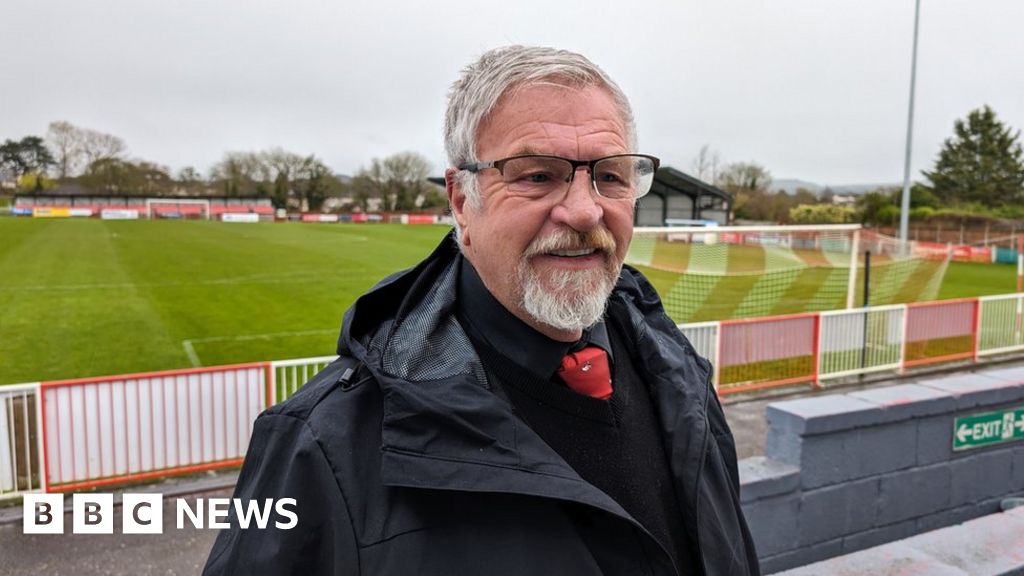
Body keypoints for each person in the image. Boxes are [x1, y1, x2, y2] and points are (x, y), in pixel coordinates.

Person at [203, 45, 759, 576]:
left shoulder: (678, 371)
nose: (586, 211)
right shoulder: (322, 445)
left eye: (610, 176)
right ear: (462, 200)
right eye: (537, 175)